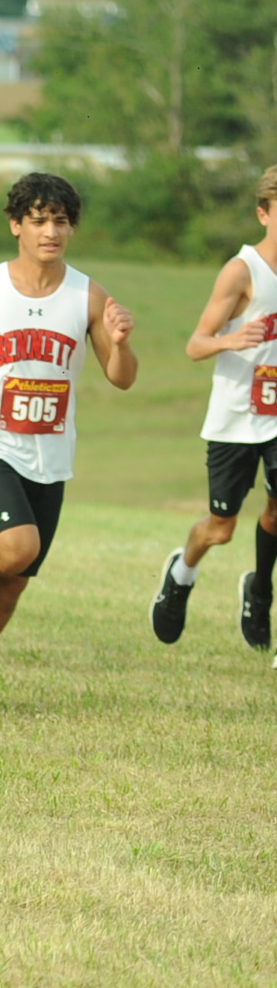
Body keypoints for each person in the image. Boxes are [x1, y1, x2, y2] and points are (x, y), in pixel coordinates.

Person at [0, 172, 138, 711]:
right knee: (17, 547)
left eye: (60, 221)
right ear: (16, 225)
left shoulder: (88, 295)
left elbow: (122, 376)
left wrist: (122, 342)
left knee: (15, 579)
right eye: (39, 220)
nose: (50, 231)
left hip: (50, 454)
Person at [150, 163, 277, 656]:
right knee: (220, 529)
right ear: (262, 214)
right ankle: (182, 574)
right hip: (237, 419)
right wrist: (232, 337)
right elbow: (195, 345)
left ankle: (261, 590)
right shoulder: (242, 271)